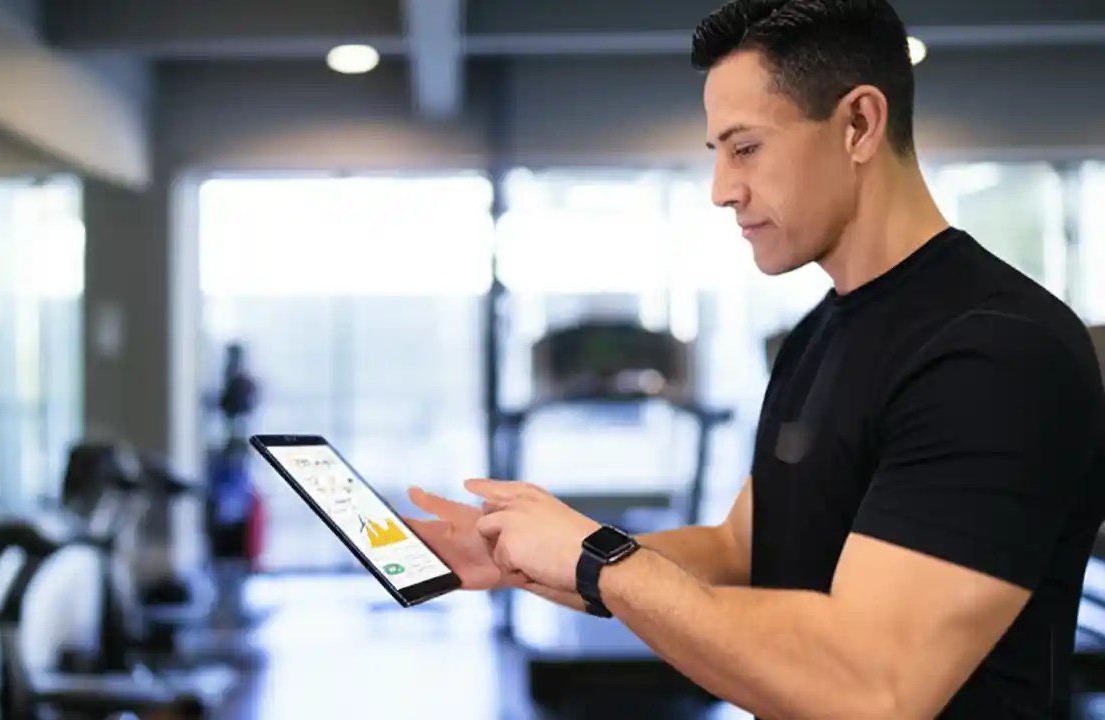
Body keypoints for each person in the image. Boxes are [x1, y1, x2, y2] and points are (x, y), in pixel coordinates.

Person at [404, 0, 1105, 717]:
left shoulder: (996, 352)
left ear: (859, 124)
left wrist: (594, 557)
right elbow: (740, 549)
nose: (721, 190)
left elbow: (875, 686)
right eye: (718, 154)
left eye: (746, 148)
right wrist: (521, 560)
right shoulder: (817, 334)